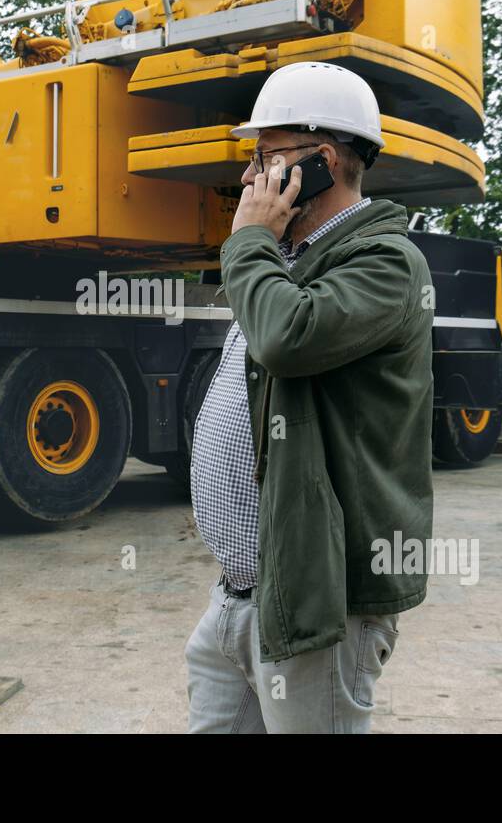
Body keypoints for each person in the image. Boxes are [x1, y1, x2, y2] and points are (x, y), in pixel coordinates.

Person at [186, 62, 435, 733]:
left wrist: (248, 241)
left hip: (319, 598)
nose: (247, 178)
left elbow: (287, 338)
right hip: (244, 595)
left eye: (264, 157)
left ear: (320, 163)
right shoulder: (288, 261)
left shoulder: (385, 262)